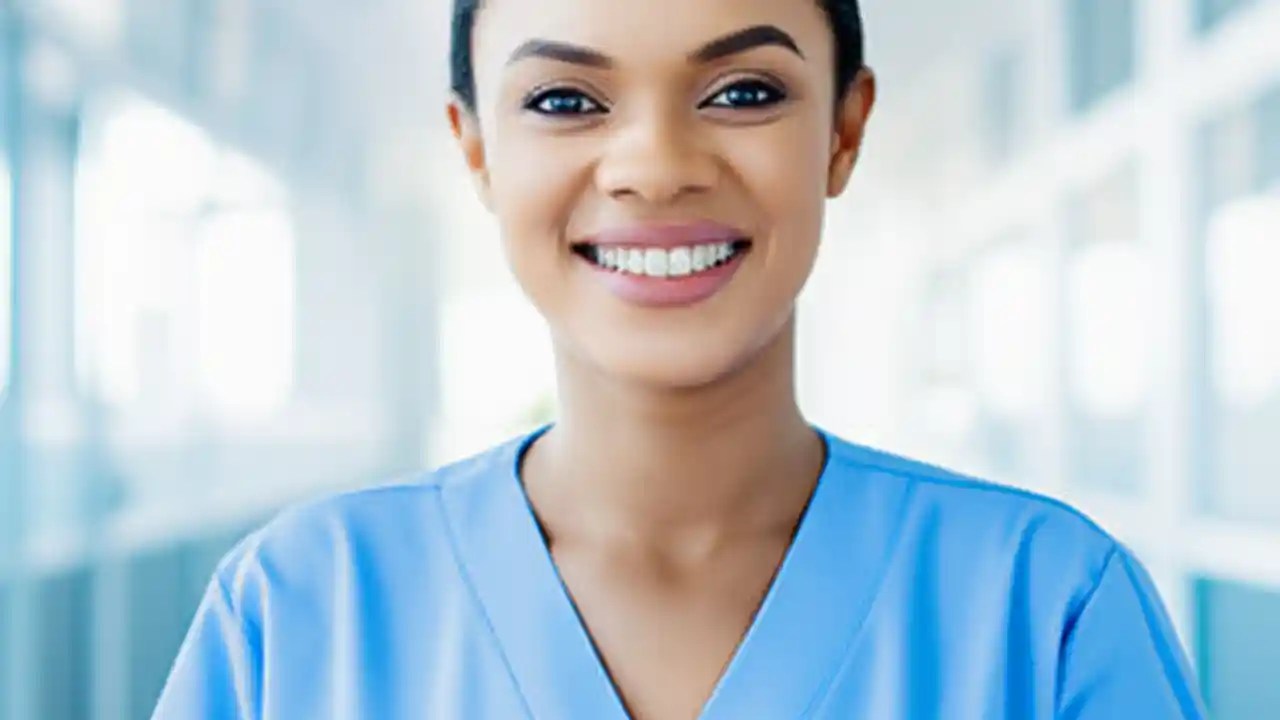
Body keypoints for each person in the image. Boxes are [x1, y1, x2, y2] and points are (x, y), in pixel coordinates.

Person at [152, 0, 1208, 717]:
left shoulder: (1044, 609)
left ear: (843, 132)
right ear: (475, 148)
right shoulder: (294, 615)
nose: (654, 169)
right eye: (564, 101)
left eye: (743, 92)